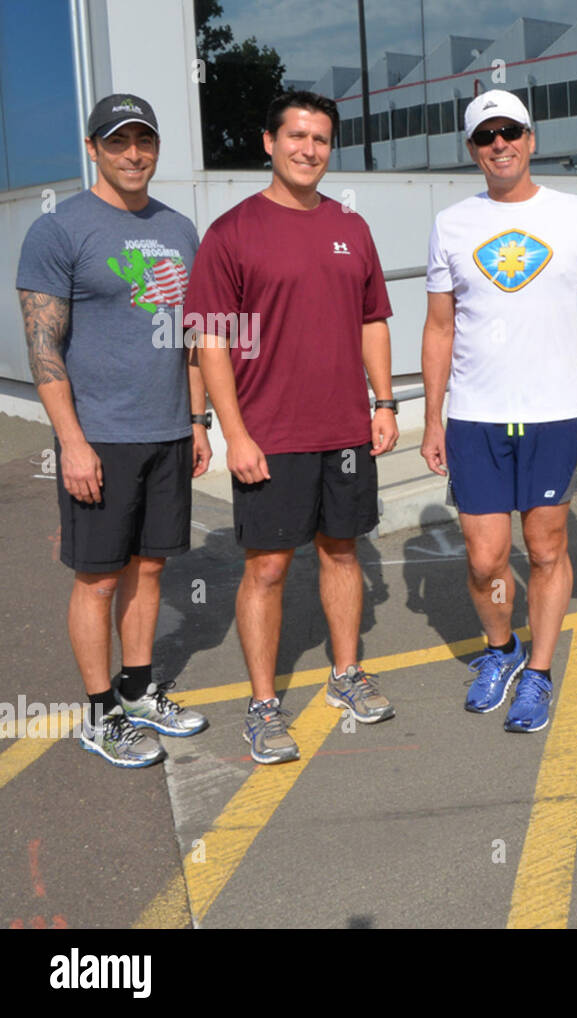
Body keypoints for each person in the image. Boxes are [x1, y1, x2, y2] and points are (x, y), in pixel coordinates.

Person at [187, 91, 398, 765]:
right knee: (269, 567)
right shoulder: (233, 232)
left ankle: (346, 675)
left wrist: (385, 402)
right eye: (298, 136)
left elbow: (372, 321)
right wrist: (233, 433)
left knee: (342, 551)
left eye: (321, 139)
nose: (310, 149)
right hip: (270, 433)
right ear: (269, 142)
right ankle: (263, 705)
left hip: (344, 429)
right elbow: (211, 340)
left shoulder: (350, 227)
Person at [16, 93, 210, 767]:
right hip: (99, 436)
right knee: (98, 577)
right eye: (119, 141)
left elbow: (189, 337)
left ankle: (135, 690)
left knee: (149, 567)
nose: (134, 154)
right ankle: (99, 715)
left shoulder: (181, 229)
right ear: (94, 148)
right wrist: (71, 440)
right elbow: (43, 350)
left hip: (167, 433)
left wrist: (197, 419)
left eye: (144, 141)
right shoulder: (59, 230)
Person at [420, 90, 577, 733]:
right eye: (486, 136)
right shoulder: (452, 223)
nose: (499, 143)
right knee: (484, 558)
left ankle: (537, 671)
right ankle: (499, 652)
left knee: (545, 547)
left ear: (531, 140)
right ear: (473, 150)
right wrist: (431, 418)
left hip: (554, 414)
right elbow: (439, 327)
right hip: (475, 415)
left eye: (510, 132)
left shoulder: (575, 214)